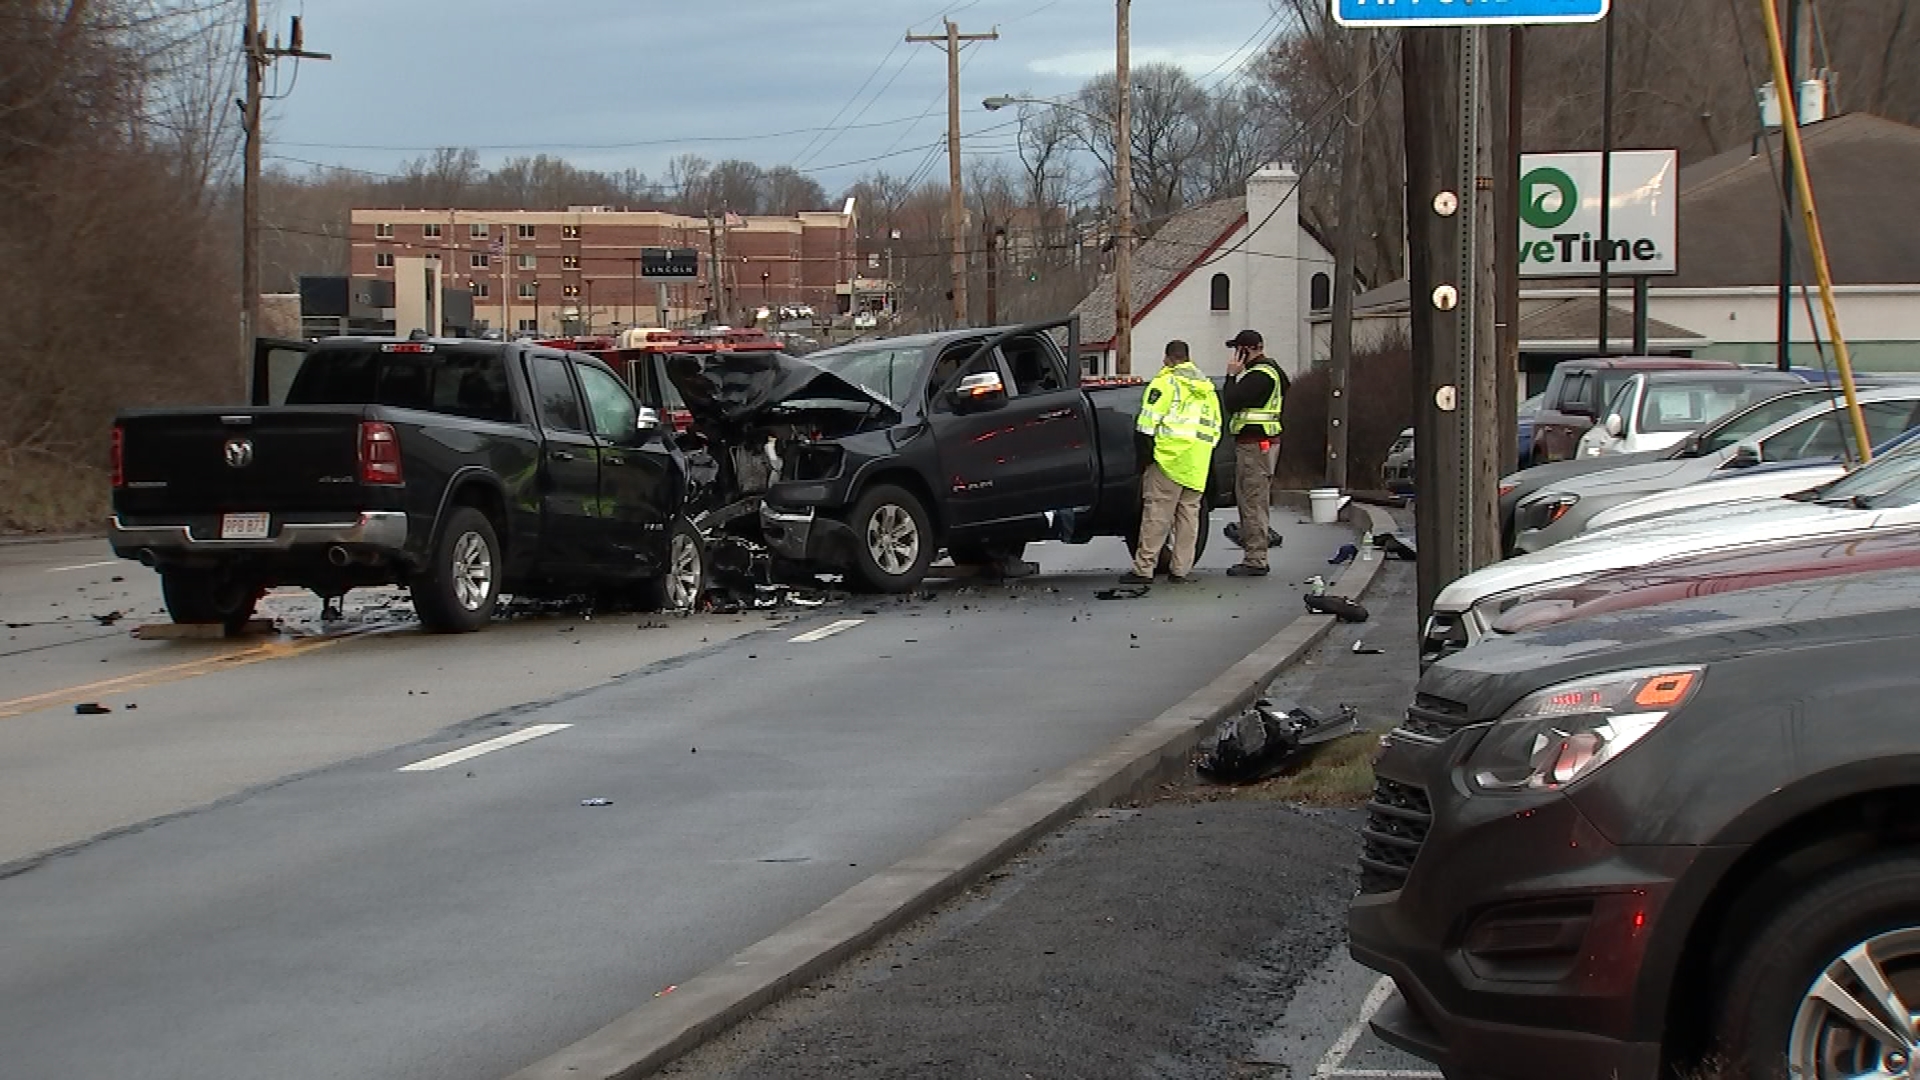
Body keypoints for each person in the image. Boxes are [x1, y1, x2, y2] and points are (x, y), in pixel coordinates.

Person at [1120, 340, 1222, 585]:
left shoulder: (1165, 383)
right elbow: (1216, 429)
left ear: (1167, 358)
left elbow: (1145, 426)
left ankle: (1144, 569)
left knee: (1157, 515)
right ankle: (1181, 570)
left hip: (1168, 460)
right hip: (1197, 463)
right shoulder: (1206, 388)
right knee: (1188, 518)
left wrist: (1145, 460)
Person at [1219, 329, 1287, 577]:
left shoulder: (1258, 375)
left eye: (1238, 350)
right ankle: (1255, 553)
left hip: (1254, 445)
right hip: (1263, 443)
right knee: (1254, 499)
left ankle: (1255, 559)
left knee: (1252, 500)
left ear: (1247, 350)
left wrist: (1230, 376)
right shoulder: (1273, 371)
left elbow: (1231, 401)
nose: (1235, 356)